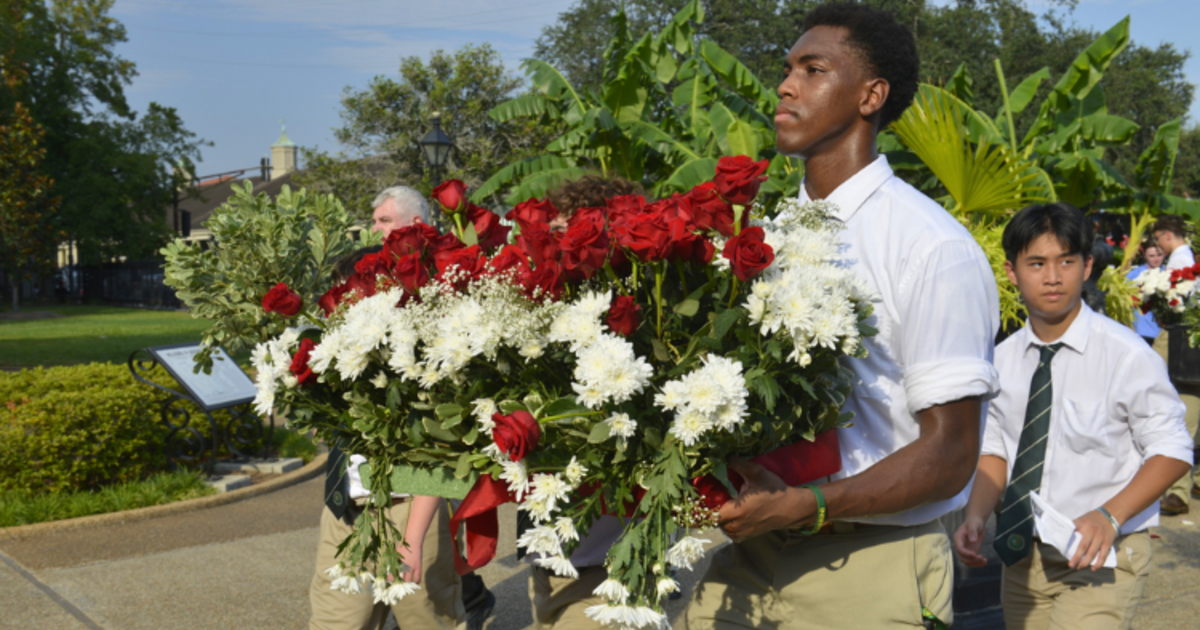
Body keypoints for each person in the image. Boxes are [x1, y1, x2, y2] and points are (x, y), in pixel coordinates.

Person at [685, 4, 999, 629]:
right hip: (749, 558)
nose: (785, 83)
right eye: (786, 68)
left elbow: (952, 453)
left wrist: (811, 505)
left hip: (870, 566)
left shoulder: (931, 246)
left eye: (813, 68)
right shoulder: (762, 235)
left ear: (870, 95)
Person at [953, 202, 1192, 630]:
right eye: (1037, 263)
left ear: (1086, 267)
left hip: (1103, 557)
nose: (1052, 277)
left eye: (1066, 261)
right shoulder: (1001, 362)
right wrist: (975, 516)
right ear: (1011, 272)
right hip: (1022, 557)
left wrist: (1109, 516)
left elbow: (1173, 450)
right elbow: (996, 450)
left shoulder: (1125, 355)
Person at [310, 246, 465, 630]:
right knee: (336, 621)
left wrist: (412, 539)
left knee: (426, 618)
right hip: (347, 508)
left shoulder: (419, 352)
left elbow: (437, 453)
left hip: (411, 507)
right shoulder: (339, 353)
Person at [1150, 214, 1200, 516]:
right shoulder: (1190, 257)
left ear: (1167, 235)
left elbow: (1177, 303)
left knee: (1179, 406)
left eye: (1158, 238)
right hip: (1191, 338)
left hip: (1181, 339)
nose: (1157, 244)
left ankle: (1178, 491)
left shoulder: (1181, 261)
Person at [1127, 243, 1165, 344]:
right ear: (1144, 255)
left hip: (1162, 329)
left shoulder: (1168, 272)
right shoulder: (1133, 275)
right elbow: (1125, 303)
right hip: (1141, 329)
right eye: (1151, 256)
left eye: (1159, 255)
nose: (1156, 259)